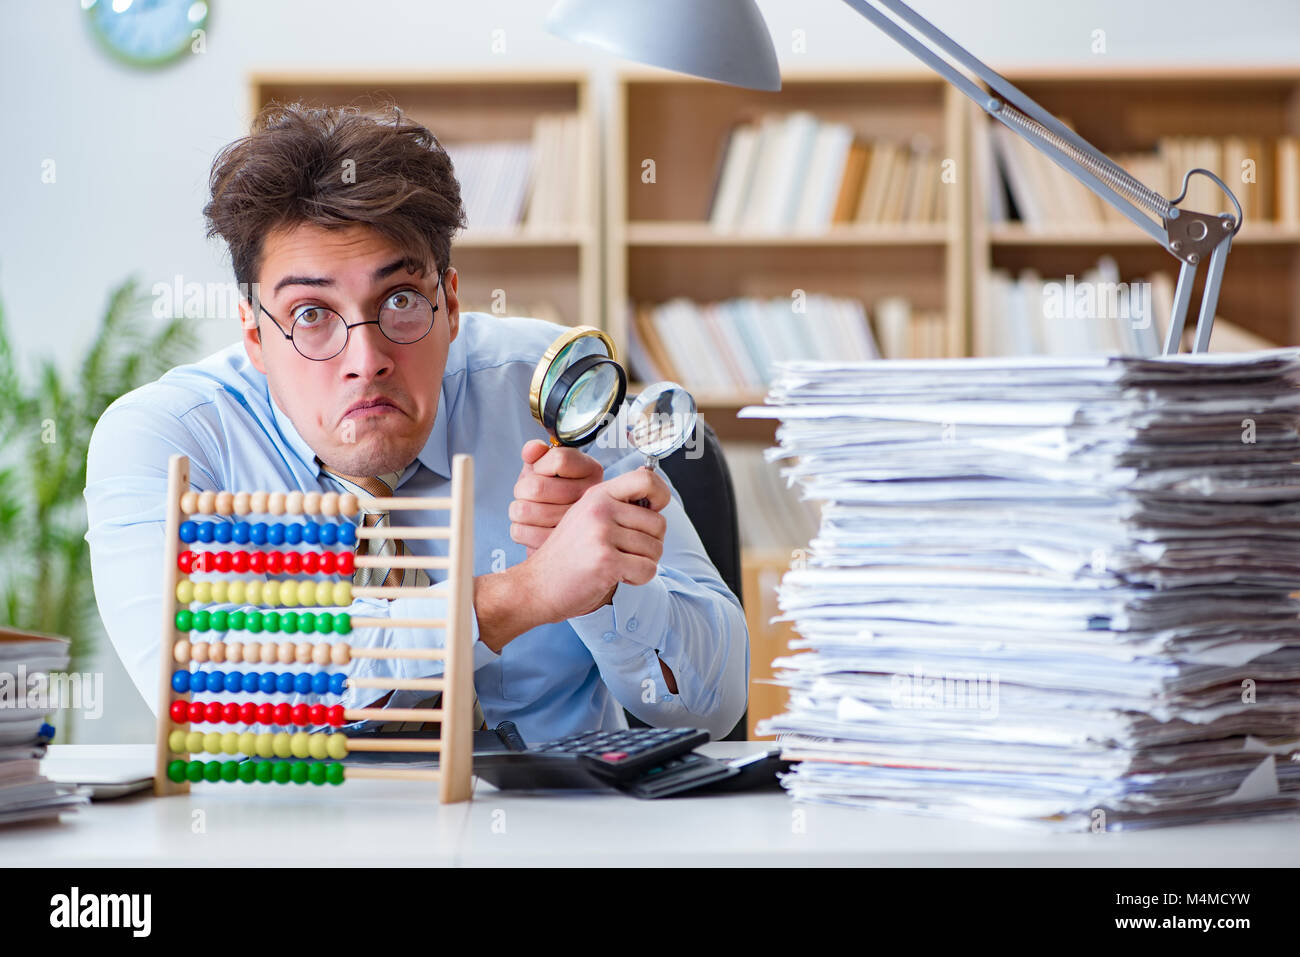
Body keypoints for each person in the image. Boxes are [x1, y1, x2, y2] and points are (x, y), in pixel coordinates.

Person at [83, 102, 748, 744]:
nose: (366, 361)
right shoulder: (170, 440)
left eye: (400, 300)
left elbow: (710, 711)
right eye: (312, 314)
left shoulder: (553, 389)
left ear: (450, 303)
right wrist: (522, 594)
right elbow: (208, 694)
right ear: (255, 334)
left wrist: (608, 588)